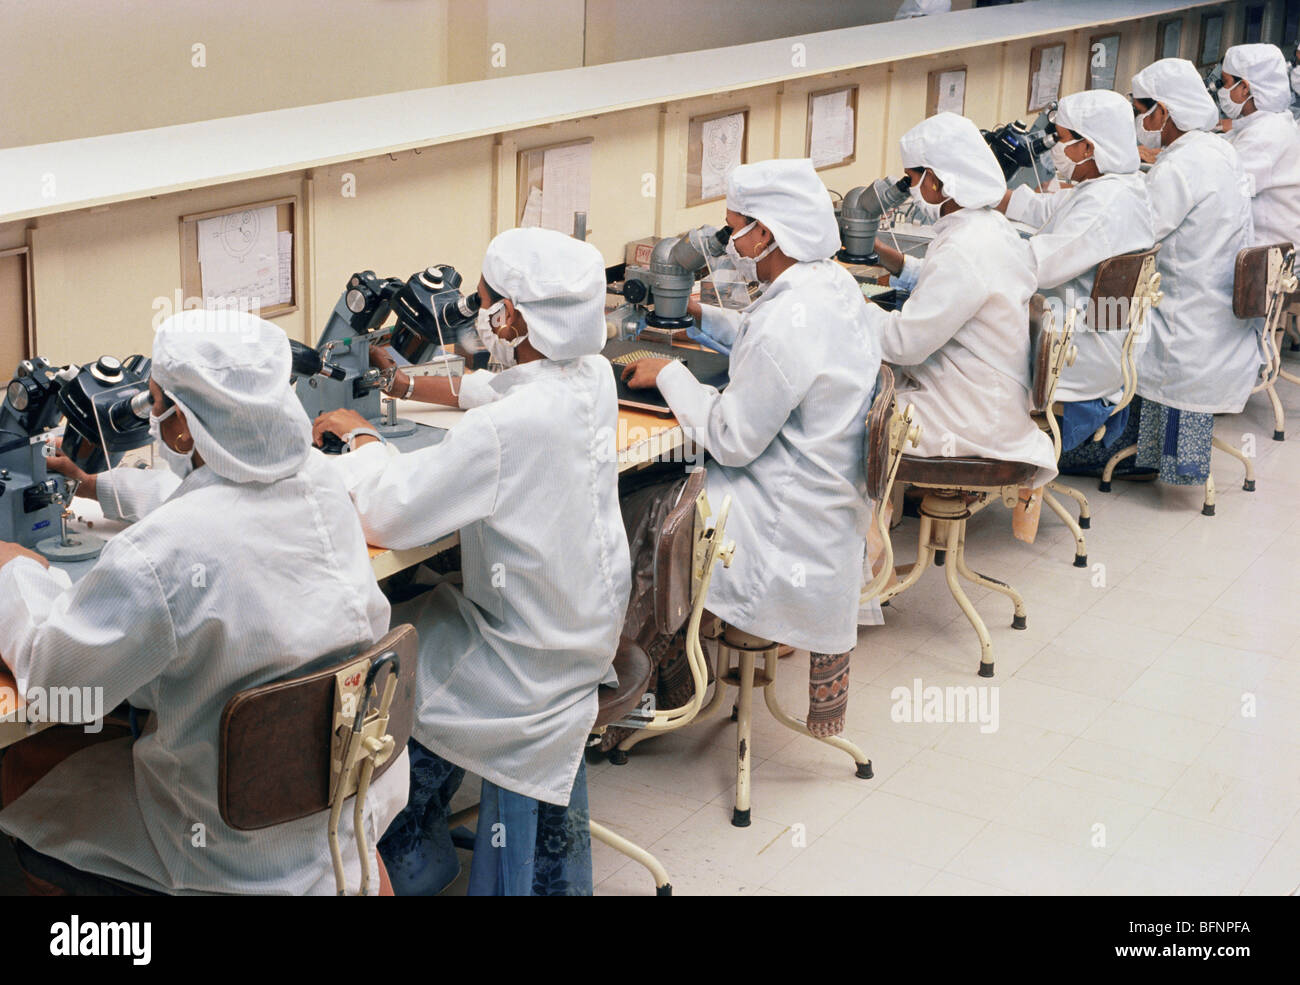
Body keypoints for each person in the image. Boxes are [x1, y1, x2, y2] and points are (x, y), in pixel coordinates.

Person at [0, 310, 406, 895]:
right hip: (344, 812)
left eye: (155, 402)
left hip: (221, 852)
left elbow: (51, 683)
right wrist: (95, 485)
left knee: (24, 766)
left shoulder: (162, 553)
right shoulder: (322, 484)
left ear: (182, 428)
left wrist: (16, 572)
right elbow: (208, 495)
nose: (151, 414)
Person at [313, 227, 631, 896]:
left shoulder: (503, 432)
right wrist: (402, 379)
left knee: (386, 645)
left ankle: (404, 844)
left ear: (511, 317)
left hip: (524, 664)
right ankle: (422, 833)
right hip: (581, 637)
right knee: (431, 601)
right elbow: (496, 391)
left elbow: (390, 510)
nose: (475, 315)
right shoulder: (592, 377)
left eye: (483, 303)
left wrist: (360, 438)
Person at [620, 158, 879, 732]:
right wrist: (699, 313)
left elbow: (732, 438)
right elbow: (765, 339)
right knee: (664, 482)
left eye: (734, 228)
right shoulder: (830, 285)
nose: (730, 242)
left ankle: (638, 687)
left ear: (766, 233)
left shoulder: (787, 320)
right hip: (826, 504)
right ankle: (663, 669)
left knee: (639, 506)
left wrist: (668, 373)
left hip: (779, 518)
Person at [870, 113, 1058, 487]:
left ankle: (872, 518)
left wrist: (850, 307)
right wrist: (892, 260)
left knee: (851, 414)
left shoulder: (962, 248)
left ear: (936, 180)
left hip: (967, 417)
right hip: (987, 400)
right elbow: (955, 287)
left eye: (912, 179)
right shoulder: (989, 226)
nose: (910, 189)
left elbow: (904, 344)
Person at [995, 89, 1157, 463]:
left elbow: (1040, 265)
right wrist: (995, 196)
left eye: (1062, 138)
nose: (1054, 148)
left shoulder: (1104, 204)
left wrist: (977, 246)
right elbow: (1050, 209)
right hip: (1106, 343)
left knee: (966, 348)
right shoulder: (1122, 186)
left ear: (1088, 147)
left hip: (1078, 352)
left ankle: (987, 459)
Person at [1130, 58, 1259, 486]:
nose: (1139, 122)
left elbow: (1138, 232)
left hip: (1187, 314)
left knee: (1093, 313)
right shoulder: (1218, 149)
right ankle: (1153, 455)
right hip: (1220, 311)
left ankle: (1120, 448)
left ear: (1163, 112)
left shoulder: (1178, 166)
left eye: (1140, 111)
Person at [1218, 44, 1300, 251]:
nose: (1222, 91)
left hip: (1270, 256)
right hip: (1272, 249)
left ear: (1245, 88)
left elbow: (1222, 189)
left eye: (1225, 83)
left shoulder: (1264, 136)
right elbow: (1229, 144)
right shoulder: (1274, 120)